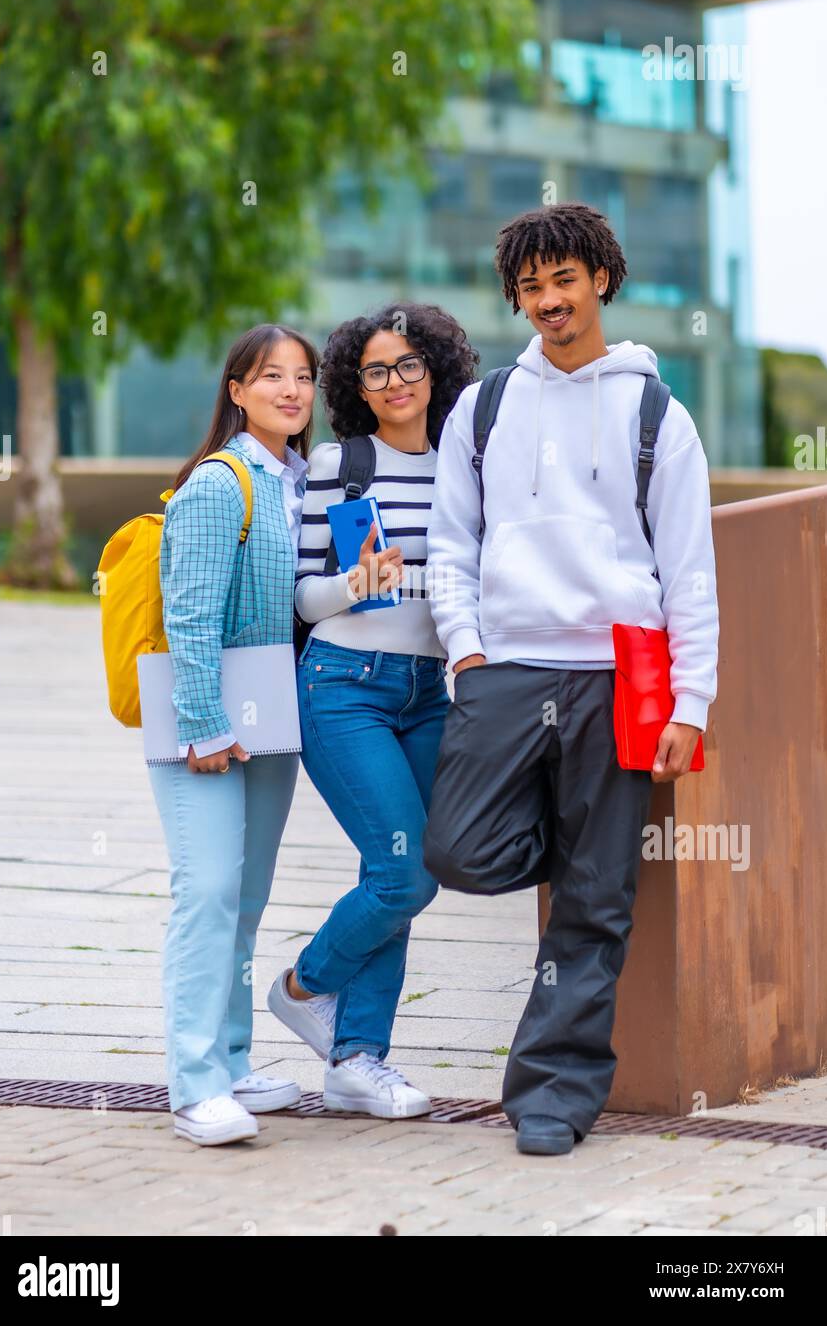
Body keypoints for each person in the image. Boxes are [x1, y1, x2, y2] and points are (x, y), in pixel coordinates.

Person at [423, 202, 719, 1156]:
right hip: (507, 667)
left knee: (597, 903)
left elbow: (689, 572)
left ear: (601, 280)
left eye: (564, 280)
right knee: (456, 849)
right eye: (530, 286)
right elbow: (448, 544)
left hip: (613, 675)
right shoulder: (485, 406)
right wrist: (466, 648)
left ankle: (553, 1093)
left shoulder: (654, 414)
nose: (548, 300)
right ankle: (578, 841)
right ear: (515, 296)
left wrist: (693, 703)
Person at [267, 302, 478, 1118]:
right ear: (357, 384)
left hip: (430, 692)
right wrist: (354, 583)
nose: (395, 383)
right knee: (404, 871)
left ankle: (357, 1062)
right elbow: (304, 596)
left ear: (437, 371)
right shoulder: (338, 463)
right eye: (376, 370)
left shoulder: (465, 464)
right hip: (344, 685)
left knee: (393, 871)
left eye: (409, 365)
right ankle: (300, 986)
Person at [148, 323, 317, 1146]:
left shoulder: (299, 481)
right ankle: (194, 1084)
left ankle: (234, 1058)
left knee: (244, 903)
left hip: (268, 721)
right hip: (208, 727)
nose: (291, 390)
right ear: (237, 391)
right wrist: (205, 726)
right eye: (271, 376)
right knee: (208, 892)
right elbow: (189, 614)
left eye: (304, 377)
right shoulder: (223, 483)